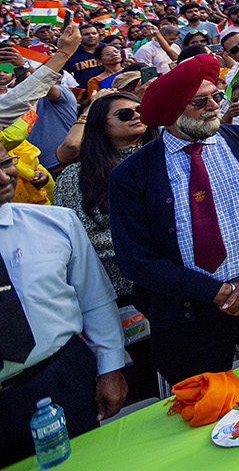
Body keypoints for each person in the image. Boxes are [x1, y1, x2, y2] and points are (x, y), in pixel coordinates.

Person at [108, 54, 239, 387]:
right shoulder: (132, 175)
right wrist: (216, 291)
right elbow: (136, 258)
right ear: (171, 111)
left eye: (216, 96)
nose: (213, 106)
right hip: (191, 316)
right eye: (200, 102)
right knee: (208, 406)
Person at [0, 147, 127, 466]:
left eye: (5, 164)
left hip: (61, 381)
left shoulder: (56, 223)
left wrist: (110, 367)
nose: (4, 177)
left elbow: (95, 300)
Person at [50, 90, 157, 401]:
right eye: (124, 114)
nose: (136, 116)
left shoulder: (164, 158)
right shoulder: (76, 176)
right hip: (120, 294)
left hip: (175, 281)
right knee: (144, 382)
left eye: (140, 109)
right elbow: (79, 241)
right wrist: (150, 239)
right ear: (101, 125)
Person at [65, 23, 107, 88]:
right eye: (86, 34)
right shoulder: (71, 54)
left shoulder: (111, 49)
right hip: (85, 92)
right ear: (79, 37)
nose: (91, 36)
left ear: (98, 35)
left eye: (94, 33)